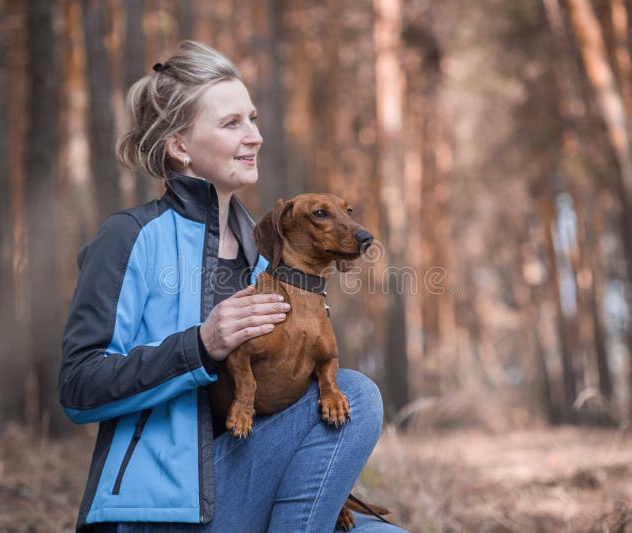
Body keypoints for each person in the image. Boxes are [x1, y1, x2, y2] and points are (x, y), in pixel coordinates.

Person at [59, 40, 406, 532]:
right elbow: (77, 387)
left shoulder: (266, 255)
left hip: (246, 476)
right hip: (157, 510)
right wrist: (201, 346)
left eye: (254, 118)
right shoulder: (130, 237)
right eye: (231, 123)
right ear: (179, 146)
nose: (256, 136)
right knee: (361, 392)